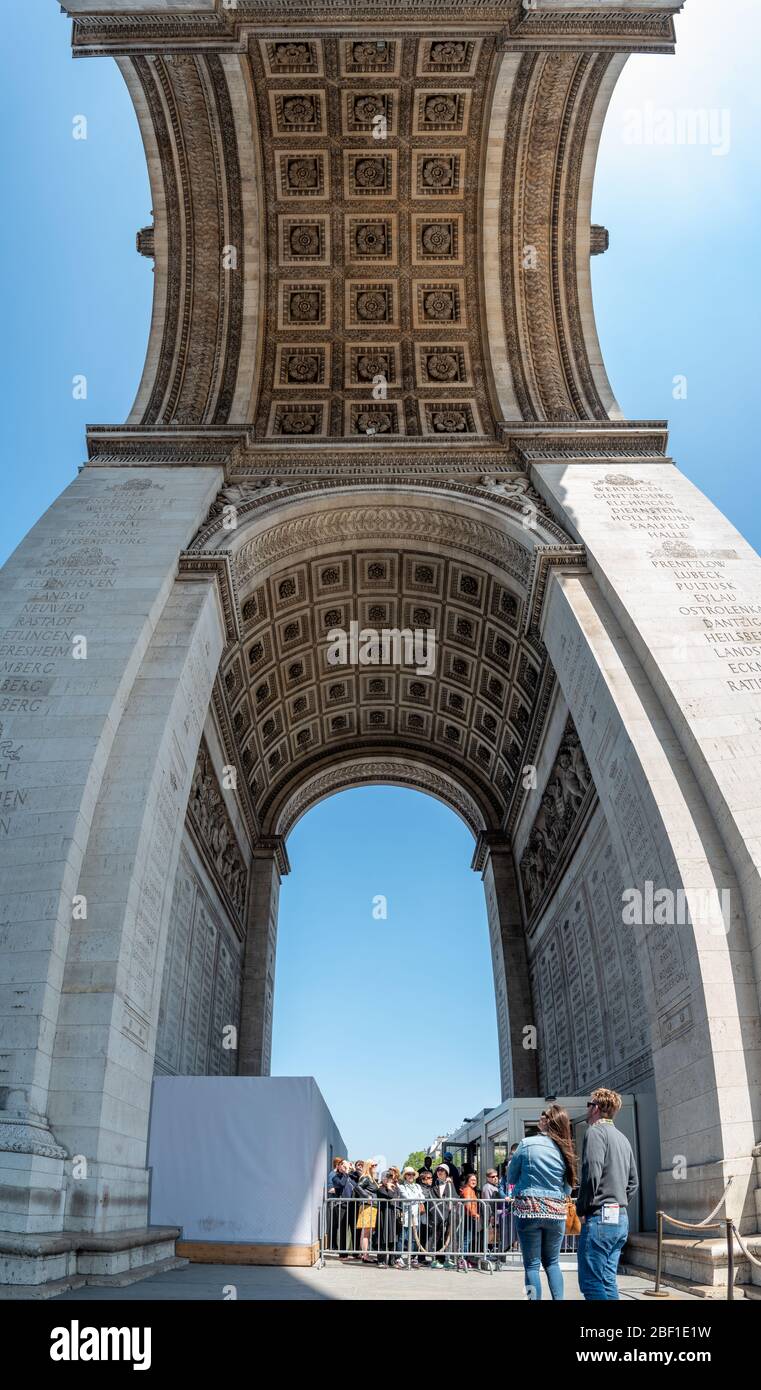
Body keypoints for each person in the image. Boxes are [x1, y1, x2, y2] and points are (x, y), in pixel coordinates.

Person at [508, 1105, 577, 1300]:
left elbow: (512, 1178)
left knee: (531, 1265)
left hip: (528, 1209)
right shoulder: (565, 1149)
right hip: (556, 1212)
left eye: (543, 1116)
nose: (540, 1118)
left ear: (548, 1121)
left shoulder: (526, 1144)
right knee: (553, 1263)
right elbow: (568, 1187)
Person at [576, 1088, 638, 1301]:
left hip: (599, 1217)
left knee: (591, 1282)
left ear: (596, 1108)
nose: (587, 1109)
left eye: (589, 1104)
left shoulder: (595, 1132)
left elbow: (592, 1172)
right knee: (607, 1279)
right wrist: (619, 1203)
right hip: (620, 1218)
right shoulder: (622, 1138)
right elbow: (633, 1183)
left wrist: (582, 1208)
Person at [428, 1163, 458, 1268]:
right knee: (437, 1237)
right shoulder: (434, 1185)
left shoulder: (450, 1185)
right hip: (437, 1217)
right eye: (438, 1170)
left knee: (448, 1237)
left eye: (442, 1170)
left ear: (446, 1173)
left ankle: (448, 1259)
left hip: (449, 1216)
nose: (440, 1172)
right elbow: (431, 1200)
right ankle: (437, 1259)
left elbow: (454, 1199)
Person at [327, 1158, 355, 1260]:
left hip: (351, 1205)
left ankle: (355, 1253)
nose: (345, 1167)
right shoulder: (335, 1177)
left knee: (353, 1228)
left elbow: (357, 1181)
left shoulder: (349, 1176)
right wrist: (346, 1172)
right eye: (342, 1165)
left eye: (345, 1165)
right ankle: (343, 1254)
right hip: (341, 1206)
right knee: (343, 1229)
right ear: (338, 1166)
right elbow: (341, 1184)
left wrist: (353, 1168)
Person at [398, 1167, 426, 1266]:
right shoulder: (402, 1186)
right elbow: (407, 1198)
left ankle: (413, 1258)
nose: (411, 1176)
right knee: (403, 1237)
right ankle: (400, 1258)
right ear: (405, 1176)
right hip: (406, 1214)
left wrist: (417, 1198)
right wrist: (417, 1198)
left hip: (416, 1215)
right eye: (408, 1174)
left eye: (412, 1174)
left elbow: (423, 1198)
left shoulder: (417, 1186)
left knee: (414, 1238)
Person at [376, 1170, 404, 1267]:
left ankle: (391, 1261)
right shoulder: (380, 1189)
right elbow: (390, 1196)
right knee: (383, 1238)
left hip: (393, 1215)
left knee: (393, 1238)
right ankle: (381, 1261)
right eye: (387, 1177)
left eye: (390, 1178)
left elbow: (399, 1200)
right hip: (384, 1215)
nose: (389, 1179)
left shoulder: (395, 1188)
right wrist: (388, 1187)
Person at [356, 1160, 381, 1262]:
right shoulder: (366, 1177)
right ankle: (365, 1256)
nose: (375, 1166)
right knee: (366, 1232)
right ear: (368, 1166)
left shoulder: (371, 1178)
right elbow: (357, 1187)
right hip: (367, 1207)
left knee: (367, 1232)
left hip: (372, 1207)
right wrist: (367, 1197)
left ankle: (366, 1254)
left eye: (376, 1165)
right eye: (373, 1165)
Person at [482, 1167, 506, 1267]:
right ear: (488, 1178)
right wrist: (490, 1216)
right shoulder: (487, 1187)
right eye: (492, 1177)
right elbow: (488, 1203)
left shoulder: (496, 1186)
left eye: (496, 1176)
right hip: (492, 1216)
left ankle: (496, 1256)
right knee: (492, 1237)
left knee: (497, 1237)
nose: (495, 1178)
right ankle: (490, 1255)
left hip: (497, 1215)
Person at [458, 1171, 482, 1271]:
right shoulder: (468, 1190)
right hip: (467, 1217)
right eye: (472, 1180)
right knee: (466, 1240)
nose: (474, 1181)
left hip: (469, 1217)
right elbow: (468, 1204)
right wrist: (473, 1213)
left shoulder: (471, 1190)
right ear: (467, 1181)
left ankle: (465, 1259)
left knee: (467, 1239)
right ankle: (462, 1260)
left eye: (475, 1180)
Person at [417, 1168, 434, 1264]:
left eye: (431, 1177)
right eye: (428, 1178)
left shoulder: (431, 1188)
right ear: (423, 1179)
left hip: (429, 1215)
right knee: (421, 1236)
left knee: (426, 1236)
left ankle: (422, 1257)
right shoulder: (421, 1188)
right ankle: (419, 1257)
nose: (431, 1179)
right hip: (423, 1215)